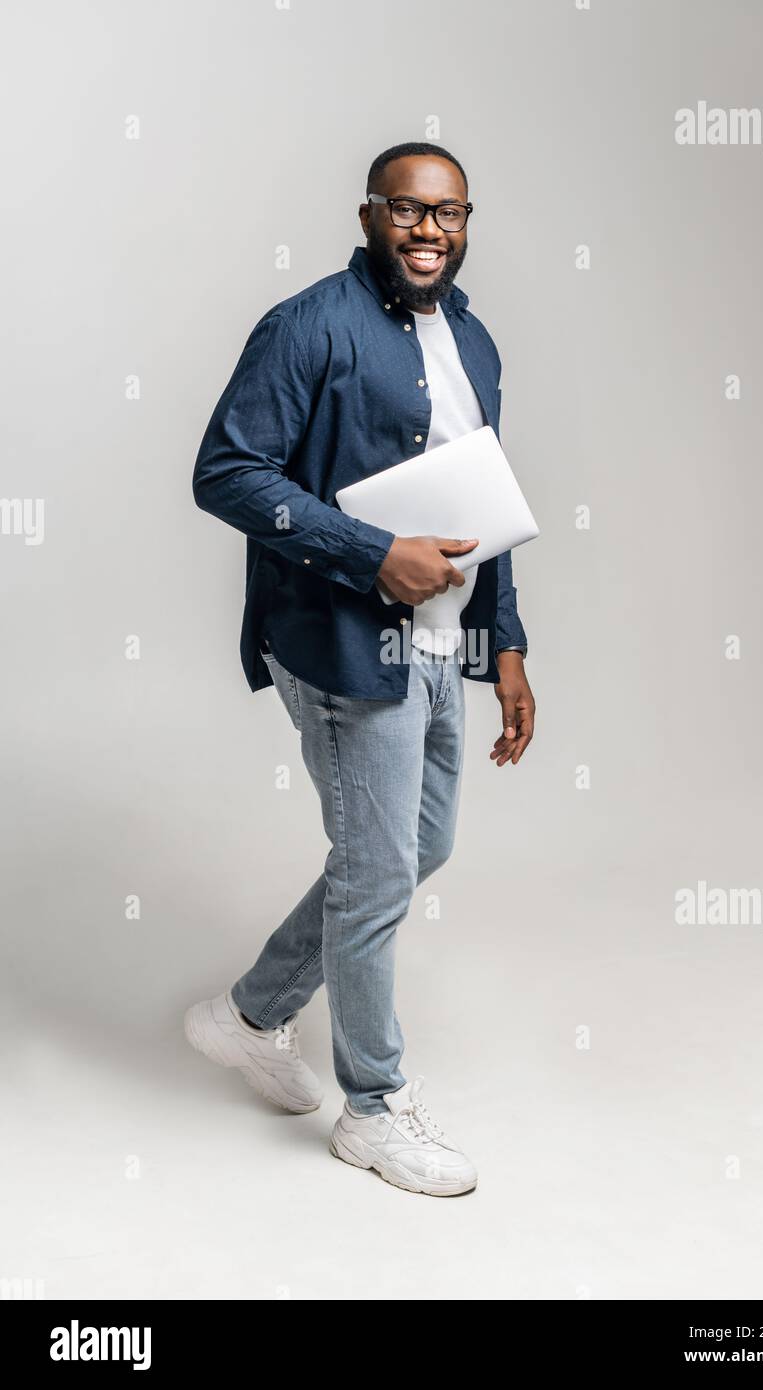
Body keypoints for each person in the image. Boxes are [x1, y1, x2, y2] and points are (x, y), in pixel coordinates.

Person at [185, 141, 536, 1196]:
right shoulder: (307, 327)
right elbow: (226, 472)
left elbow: (485, 500)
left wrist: (503, 645)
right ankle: (372, 1110)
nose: (428, 231)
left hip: (439, 642)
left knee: (411, 850)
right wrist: (369, 552)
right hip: (340, 645)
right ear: (371, 214)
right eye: (406, 210)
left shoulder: (471, 341)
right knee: (379, 870)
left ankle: (245, 1014)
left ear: (466, 222)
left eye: (448, 213)